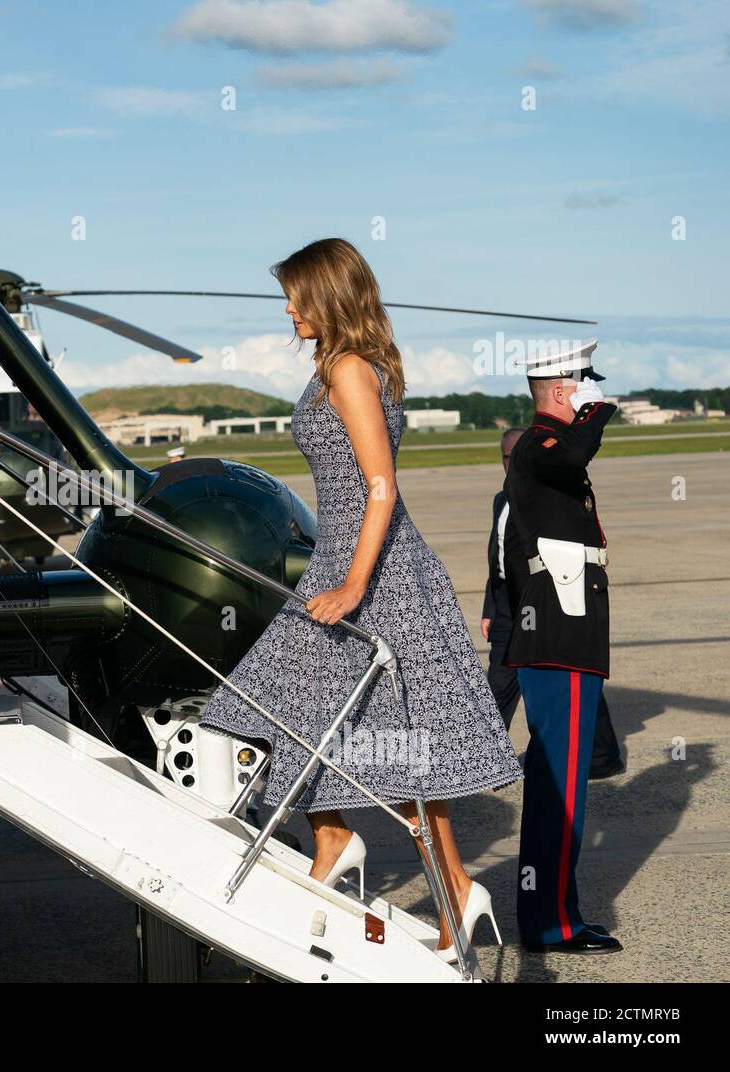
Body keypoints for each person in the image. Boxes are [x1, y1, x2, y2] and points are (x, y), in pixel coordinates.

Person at [196, 238, 523, 962]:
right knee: (299, 711)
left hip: (375, 570)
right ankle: (347, 840)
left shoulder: (348, 369)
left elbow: (380, 487)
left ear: (330, 297)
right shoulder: (342, 366)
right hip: (345, 561)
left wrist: (352, 584)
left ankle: (435, 881)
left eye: (296, 296)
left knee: (385, 744)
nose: (287, 309)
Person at [502, 339, 622, 954]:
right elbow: (574, 447)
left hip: (568, 638)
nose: (594, 394)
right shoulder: (539, 444)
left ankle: (558, 915)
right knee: (557, 786)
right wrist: (596, 412)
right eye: (585, 384)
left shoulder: (553, 453)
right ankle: (550, 924)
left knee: (563, 784)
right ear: (558, 389)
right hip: (559, 637)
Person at [481, 429, 624, 778]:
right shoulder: (502, 500)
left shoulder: (544, 499)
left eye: (518, 458)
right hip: (507, 607)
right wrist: (490, 607)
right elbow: (499, 558)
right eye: (506, 458)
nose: (511, 465)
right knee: (501, 686)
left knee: (525, 683)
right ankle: (489, 760)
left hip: (538, 606)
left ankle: (599, 756)